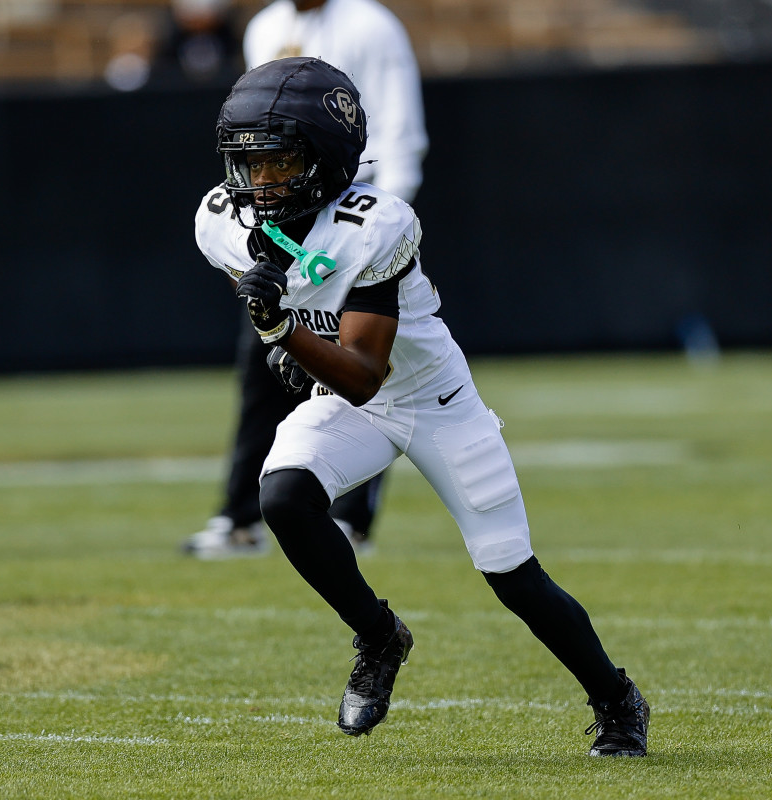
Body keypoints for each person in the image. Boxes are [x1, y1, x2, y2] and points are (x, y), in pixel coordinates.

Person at [192, 56, 648, 754]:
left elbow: (366, 373)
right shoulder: (221, 217)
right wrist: (288, 333)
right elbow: (257, 282)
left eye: (281, 163)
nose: (262, 182)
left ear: (327, 157)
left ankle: (617, 701)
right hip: (345, 394)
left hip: (431, 399)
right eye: (250, 165)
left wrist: (285, 332)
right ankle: (379, 636)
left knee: (512, 574)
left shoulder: (376, 225)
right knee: (282, 497)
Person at [183, 0, 428, 558]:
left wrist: (373, 238)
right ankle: (240, 516)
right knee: (260, 368)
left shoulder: (371, 23)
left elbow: (400, 128)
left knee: (362, 371)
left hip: (350, 224)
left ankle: (346, 517)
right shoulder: (267, 26)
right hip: (280, 222)